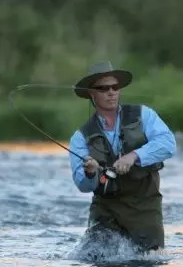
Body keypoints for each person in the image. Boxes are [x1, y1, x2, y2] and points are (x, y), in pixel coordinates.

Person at [69, 61, 176, 254]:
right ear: (91, 94)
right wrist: (90, 173)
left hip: (145, 205)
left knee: (150, 261)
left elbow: (168, 144)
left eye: (115, 87)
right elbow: (82, 185)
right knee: (96, 260)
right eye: (103, 88)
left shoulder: (143, 115)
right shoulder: (80, 137)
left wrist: (133, 156)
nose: (111, 92)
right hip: (105, 209)